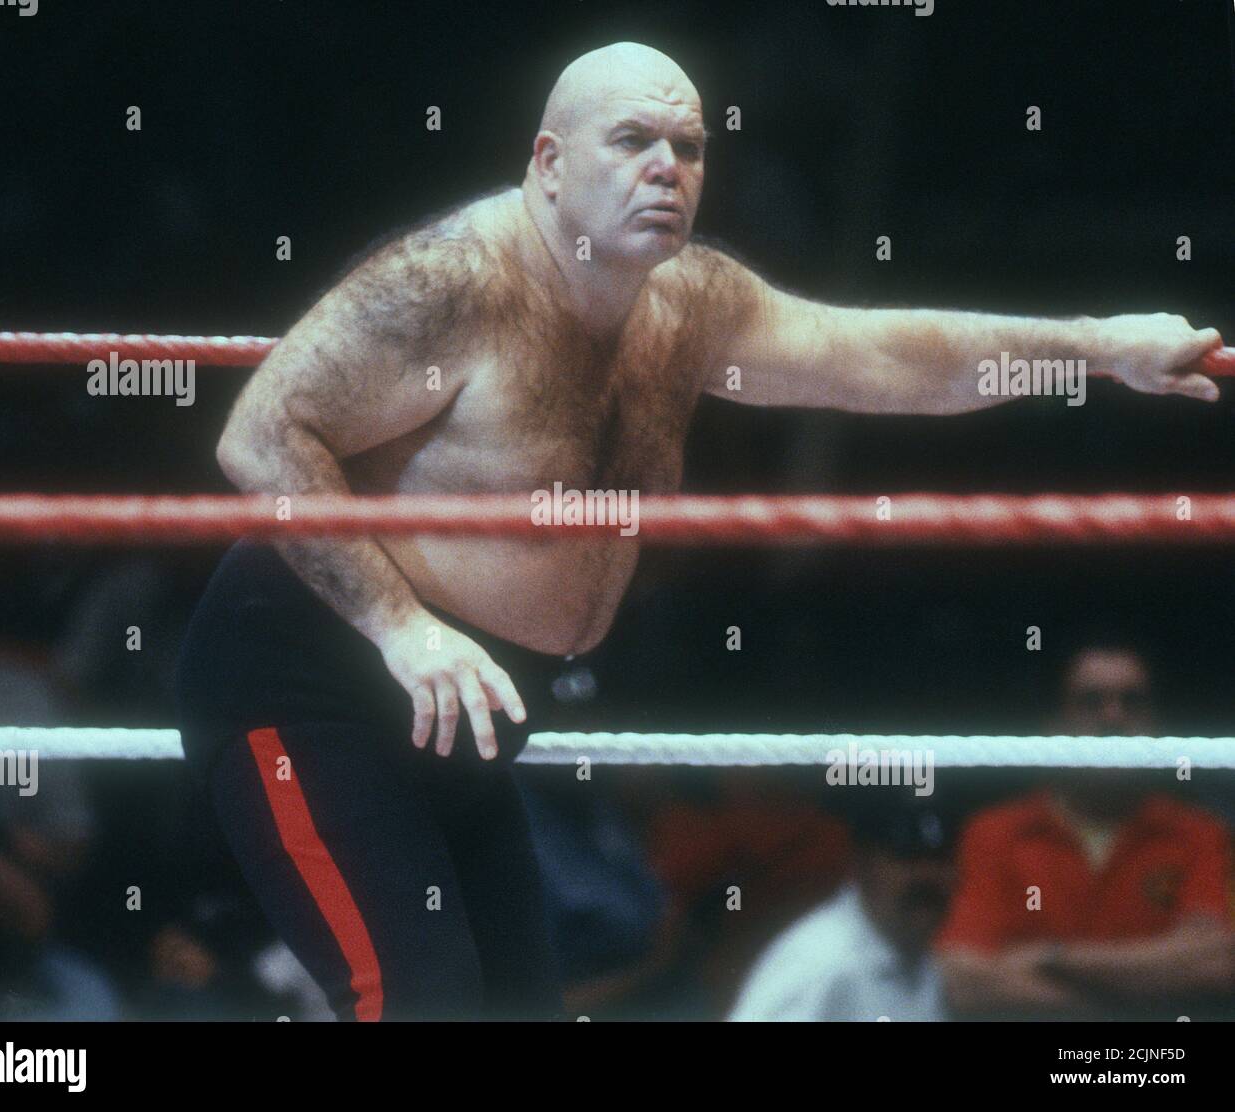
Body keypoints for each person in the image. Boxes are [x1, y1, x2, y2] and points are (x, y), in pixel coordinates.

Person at [174, 41, 1226, 1021]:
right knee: (416, 1003)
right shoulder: (451, 281)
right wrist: (401, 626)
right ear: (547, 163)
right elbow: (260, 436)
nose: (667, 167)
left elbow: (884, 359)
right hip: (308, 685)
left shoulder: (690, 305)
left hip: (464, 714)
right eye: (631, 141)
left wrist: (1096, 348)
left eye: (688, 146)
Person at [937, 641, 1235, 1018]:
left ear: (1155, 726)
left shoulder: (1200, 833)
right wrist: (1148, 991)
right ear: (1054, 726)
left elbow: (1216, 966)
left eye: (1132, 701)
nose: (1113, 717)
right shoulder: (995, 834)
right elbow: (965, 984)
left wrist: (1050, 957)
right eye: (1091, 702)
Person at [729, 798, 955, 1022]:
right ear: (864, 866)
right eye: (908, 858)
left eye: (940, 859)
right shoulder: (822, 962)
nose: (927, 875)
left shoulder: (911, 956)